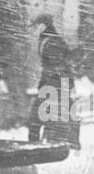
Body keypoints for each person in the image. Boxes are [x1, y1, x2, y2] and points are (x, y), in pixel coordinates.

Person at [32, 14, 81, 148]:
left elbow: (58, 65)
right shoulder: (47, 39)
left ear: (43, 26)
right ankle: (67, 142)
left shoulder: (53, 41)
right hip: (53, 82)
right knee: (45, 116)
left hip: (57, 82)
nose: (34, 29)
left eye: (36, 26)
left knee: (40, 116)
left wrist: (51, 83)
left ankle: (67, 142)